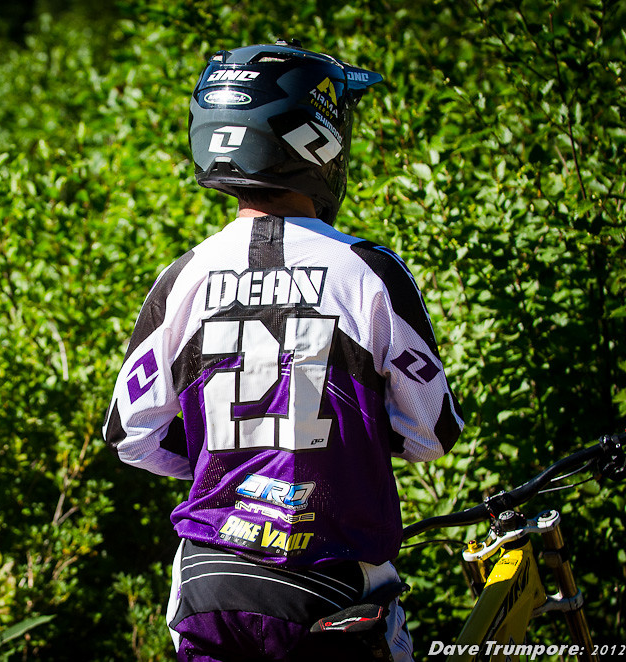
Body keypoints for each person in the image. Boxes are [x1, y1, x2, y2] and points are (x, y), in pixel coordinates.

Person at [102, 39, 464, 661]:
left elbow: (132, 434)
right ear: (312, 140)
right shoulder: (365, 272)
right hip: (332, 583)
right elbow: (432, 432)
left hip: (210, 580)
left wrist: (234, 464)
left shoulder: (182, 277)